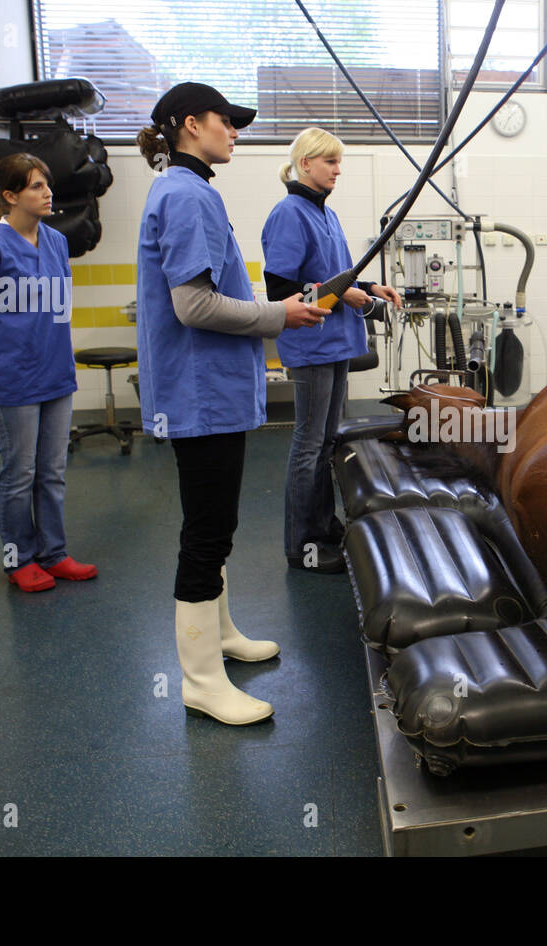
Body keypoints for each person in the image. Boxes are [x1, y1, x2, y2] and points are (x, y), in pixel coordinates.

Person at [136, 83, 328, 726]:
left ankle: (217, 638)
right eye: (228, 122)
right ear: (191, 125)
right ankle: (200, 682)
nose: (236, 133)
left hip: (210, 391)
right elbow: (194, 306)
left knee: (216, 526)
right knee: (207, 531)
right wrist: (280, 314)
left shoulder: (189, 189)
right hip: (200, 394)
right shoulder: (185, 195)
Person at [0, 153, 97, 593]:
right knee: (19, 474)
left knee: (52, 471)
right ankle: (20, 558)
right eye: (36, 186)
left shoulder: (55, 242)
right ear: (9, 196)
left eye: (47, 184)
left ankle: (54, 553)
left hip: (55, 375)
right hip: (11, 379)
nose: (47, 192)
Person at [261, 127, 401, 573]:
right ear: (305, 164)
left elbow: (329, 278)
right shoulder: (290, 213)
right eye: (329, 162)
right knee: (310, 444)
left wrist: (367, 286)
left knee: (328, 441)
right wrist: (344, 296)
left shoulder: (326, 213)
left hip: (335, 341)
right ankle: (305, 545)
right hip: (311, 342)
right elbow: (283, 289)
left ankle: (325, 527)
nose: (337, 170)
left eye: (339, 162)